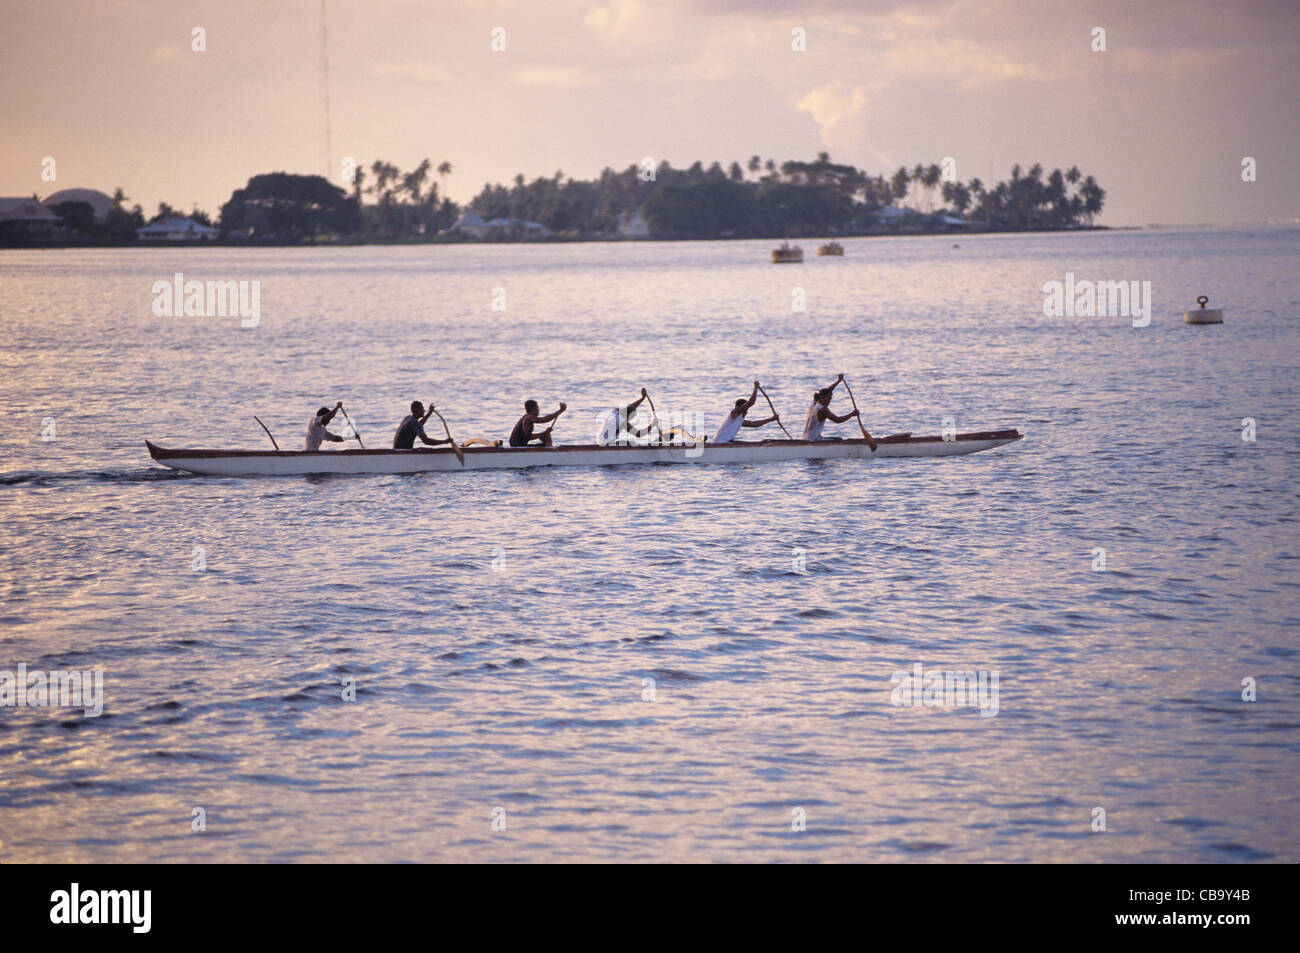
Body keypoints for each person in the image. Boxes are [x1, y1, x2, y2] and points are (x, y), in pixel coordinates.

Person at [713, 381, 780, 443]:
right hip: (721, 442)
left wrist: (771, 419)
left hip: (727, 442)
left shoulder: (739, 420)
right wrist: (755, 388)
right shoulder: (734, 413)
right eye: (745, 409)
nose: (746, 412)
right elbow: (751, 402)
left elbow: (754, 424)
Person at [802, 374, 860, 440]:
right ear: (821, 397)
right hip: (814, 440)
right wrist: (852, 414)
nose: (829, 401)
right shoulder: (823, 409)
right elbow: (837, 420)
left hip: (805, 438)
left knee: (837, 438)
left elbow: (828, 390)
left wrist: (838, 381)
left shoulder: (814, 403)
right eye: (828, 398)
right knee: (839, 440)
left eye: (830, 399)